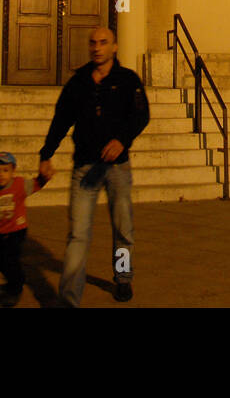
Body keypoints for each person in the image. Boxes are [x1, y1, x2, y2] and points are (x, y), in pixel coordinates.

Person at [39, 26, 150, 306]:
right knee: (78, 234)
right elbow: (61, 120)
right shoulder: (78, 83)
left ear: (114, 47)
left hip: (117, 169)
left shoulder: (128, 80)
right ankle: (69, 299)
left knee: (123, 228)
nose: (97, 47)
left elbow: (141, 115)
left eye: (103, 42)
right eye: (93, 43)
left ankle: (123, 278)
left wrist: (122, 140)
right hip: (85, 169)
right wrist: (46, 154)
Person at [0, 152, 49, 307]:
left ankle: (15, 288)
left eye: (5, 170)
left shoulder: (19, 184)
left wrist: (44, 177)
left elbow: (36, 184)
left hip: (17, 230)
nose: (1, 175)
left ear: (13, 171)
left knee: (10, 259)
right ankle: (12, 280)